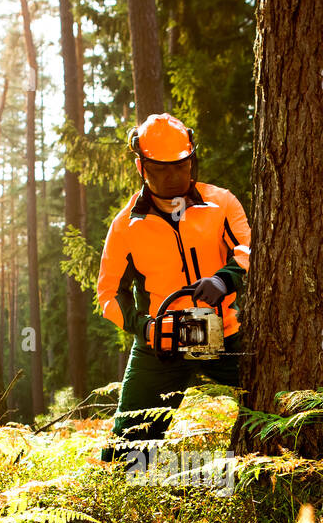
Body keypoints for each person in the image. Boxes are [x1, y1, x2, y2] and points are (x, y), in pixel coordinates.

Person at [96, 113, 250, 472]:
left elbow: (250, 248)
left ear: (192, 159)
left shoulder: (221, 204)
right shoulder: (126, 226)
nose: (171, 176)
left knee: (276, 401)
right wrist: (143, 326)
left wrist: (225, 279)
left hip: (226, 333)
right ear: (141, 166)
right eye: (160, 168)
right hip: (160, 343)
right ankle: (143, 497)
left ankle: (243, 476)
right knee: (127, 450)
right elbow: (107, 293)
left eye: (180, 166)